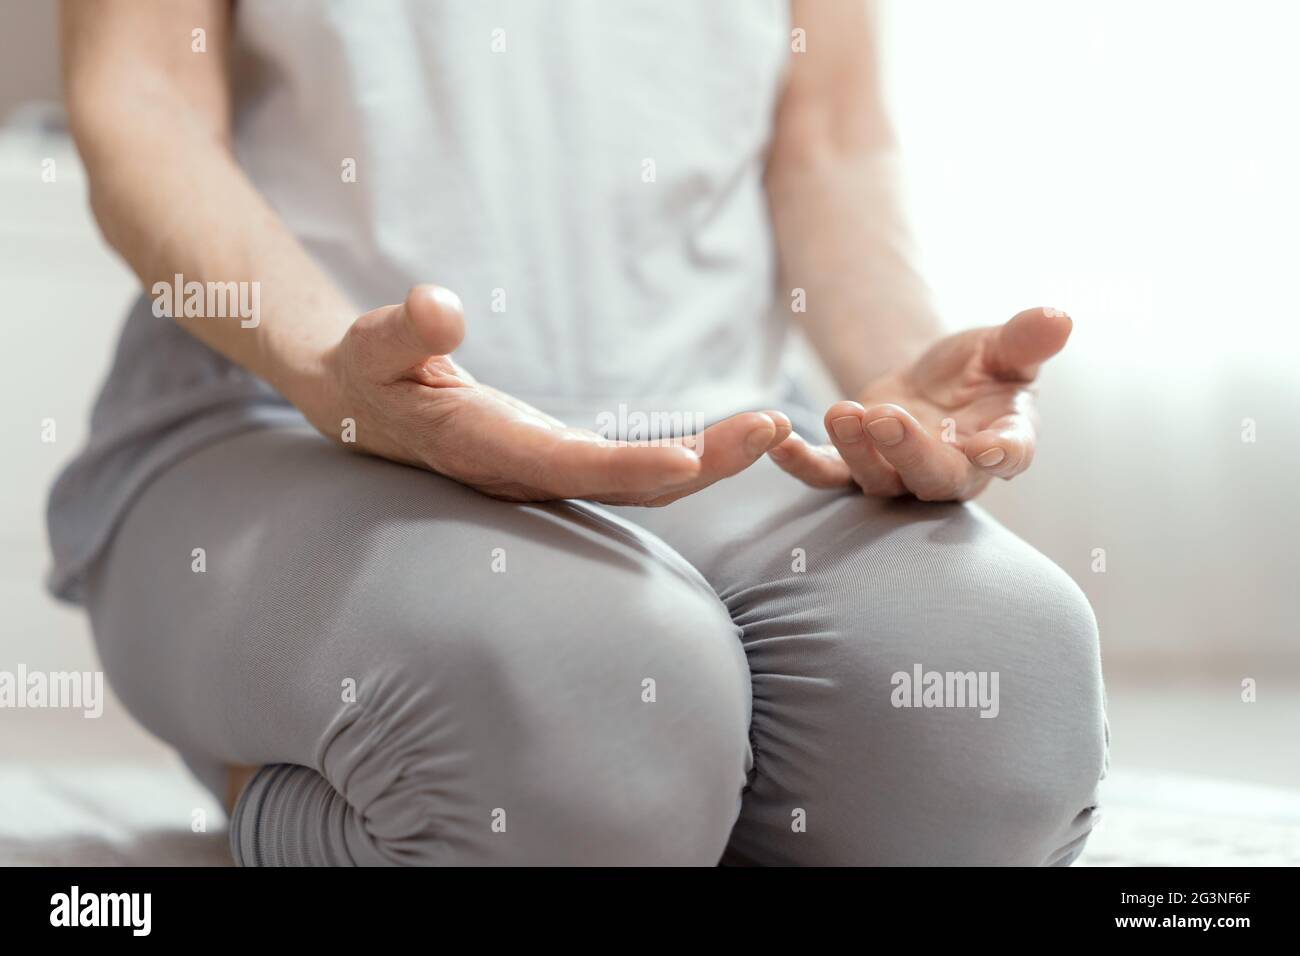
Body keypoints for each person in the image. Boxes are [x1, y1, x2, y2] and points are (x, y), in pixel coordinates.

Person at [49, 0, 1106, 865]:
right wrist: (332, 366)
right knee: (594, 713)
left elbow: (828, 140)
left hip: (710, 419)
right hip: (287, 416)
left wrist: (901, 378)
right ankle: (274, 789)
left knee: (1000, 705)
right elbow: (143, 99)